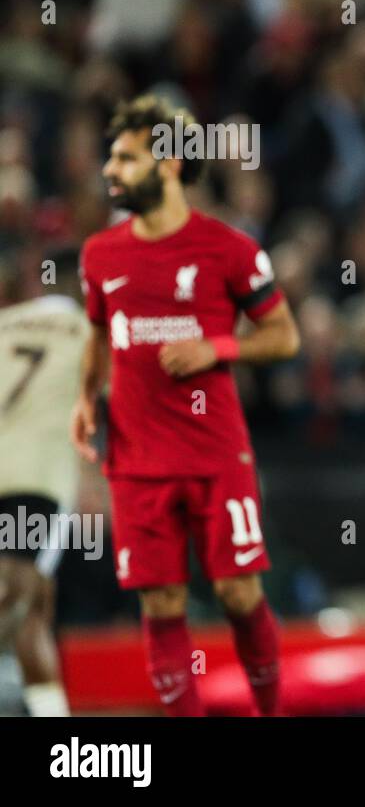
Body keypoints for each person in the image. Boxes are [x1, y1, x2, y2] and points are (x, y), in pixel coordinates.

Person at [72, 95, 301, 715]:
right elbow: (97, 334)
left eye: (124, 158)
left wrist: (216, 348)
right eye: (109, 158)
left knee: (236, 592)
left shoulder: (229, 249)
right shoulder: (99, 255)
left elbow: (285, 336)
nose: (110, 171)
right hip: (136, 456)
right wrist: (85, 396)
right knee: (162, 603)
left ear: (169, 163)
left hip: (214, 453)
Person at [0, 252, 89, 716]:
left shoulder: (6, 326)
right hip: (36, 479)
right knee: (18, 595)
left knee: (32, 604)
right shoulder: (84, 331)